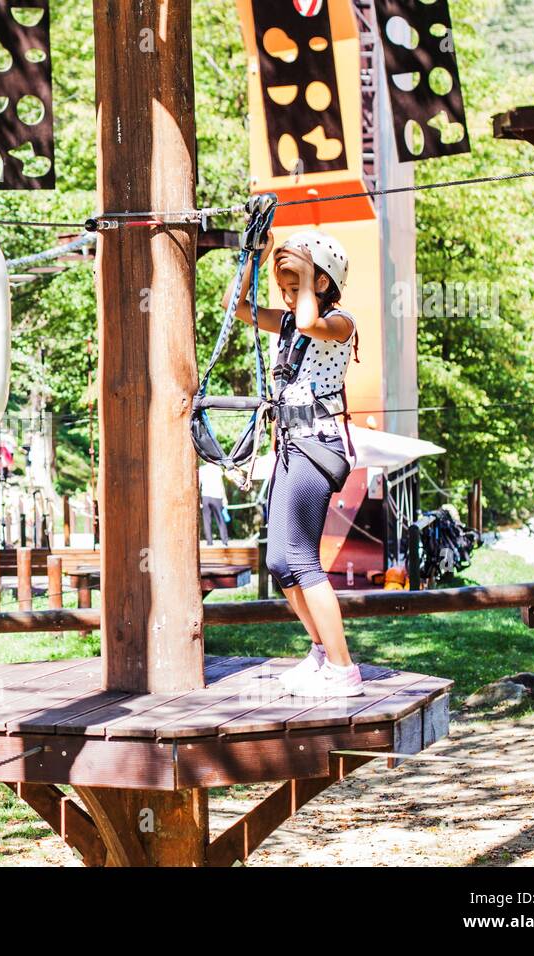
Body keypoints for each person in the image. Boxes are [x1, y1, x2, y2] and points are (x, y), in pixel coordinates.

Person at [222, 228, 362, 697]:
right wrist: (254, 253)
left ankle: (343, 669)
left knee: (302, 559)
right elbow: (234, 307)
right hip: (291, 445)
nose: (286, 295)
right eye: (283, 286)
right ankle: (322, 652)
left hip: (317, 446)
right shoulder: (286, 321)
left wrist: (302, 271)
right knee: (280, 560)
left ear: (323, 283)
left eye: (296, 284)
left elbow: (308, 323)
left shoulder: (340, 322)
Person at [198, 462, 230, 546]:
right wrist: (225, 498)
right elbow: (221, 484)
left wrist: (198, 499)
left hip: (206, 496)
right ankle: (225, 540)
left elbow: (198, 484)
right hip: (217, 496)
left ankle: (209, 541)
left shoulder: (202, 469)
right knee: (220, 519)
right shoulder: (217, 469)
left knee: (206, 520)